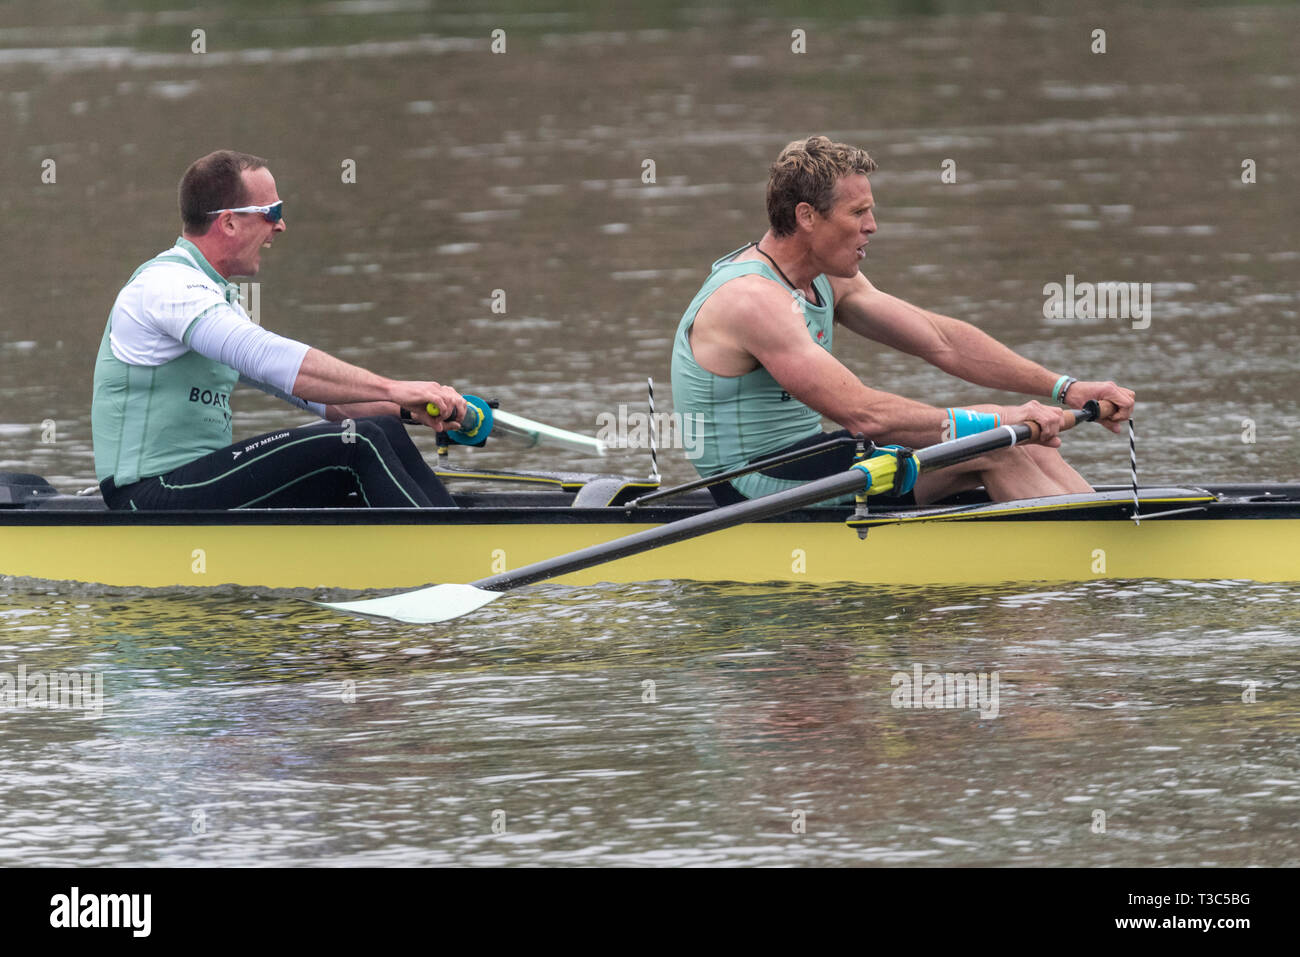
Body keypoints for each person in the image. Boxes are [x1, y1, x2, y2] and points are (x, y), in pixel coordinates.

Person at [670, 135, 1136, 505]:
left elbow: (941, 342)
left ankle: (1101, 545)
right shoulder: (752, 300)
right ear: (807, 216)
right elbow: (865, 415)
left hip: (812, 460)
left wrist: (1064, 388)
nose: (872, 226)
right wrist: (1003, 418)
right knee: (998, 447)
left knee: (1028, 444)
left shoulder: (829, 279)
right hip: (756, 485)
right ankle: (1091, 585)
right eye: (859, 213)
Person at [91, 149, 468, 510]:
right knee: (360, 442)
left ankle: (450, 537)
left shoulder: (215, 297)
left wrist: (409, 407)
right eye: (272, 211)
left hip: (194, 481)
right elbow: (268, 357)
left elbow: (321, 399)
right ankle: (448, 557)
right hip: (149, 492)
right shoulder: (166, 286)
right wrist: (393, 387)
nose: (280, 225)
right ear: (229, 221)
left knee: (378, 427)